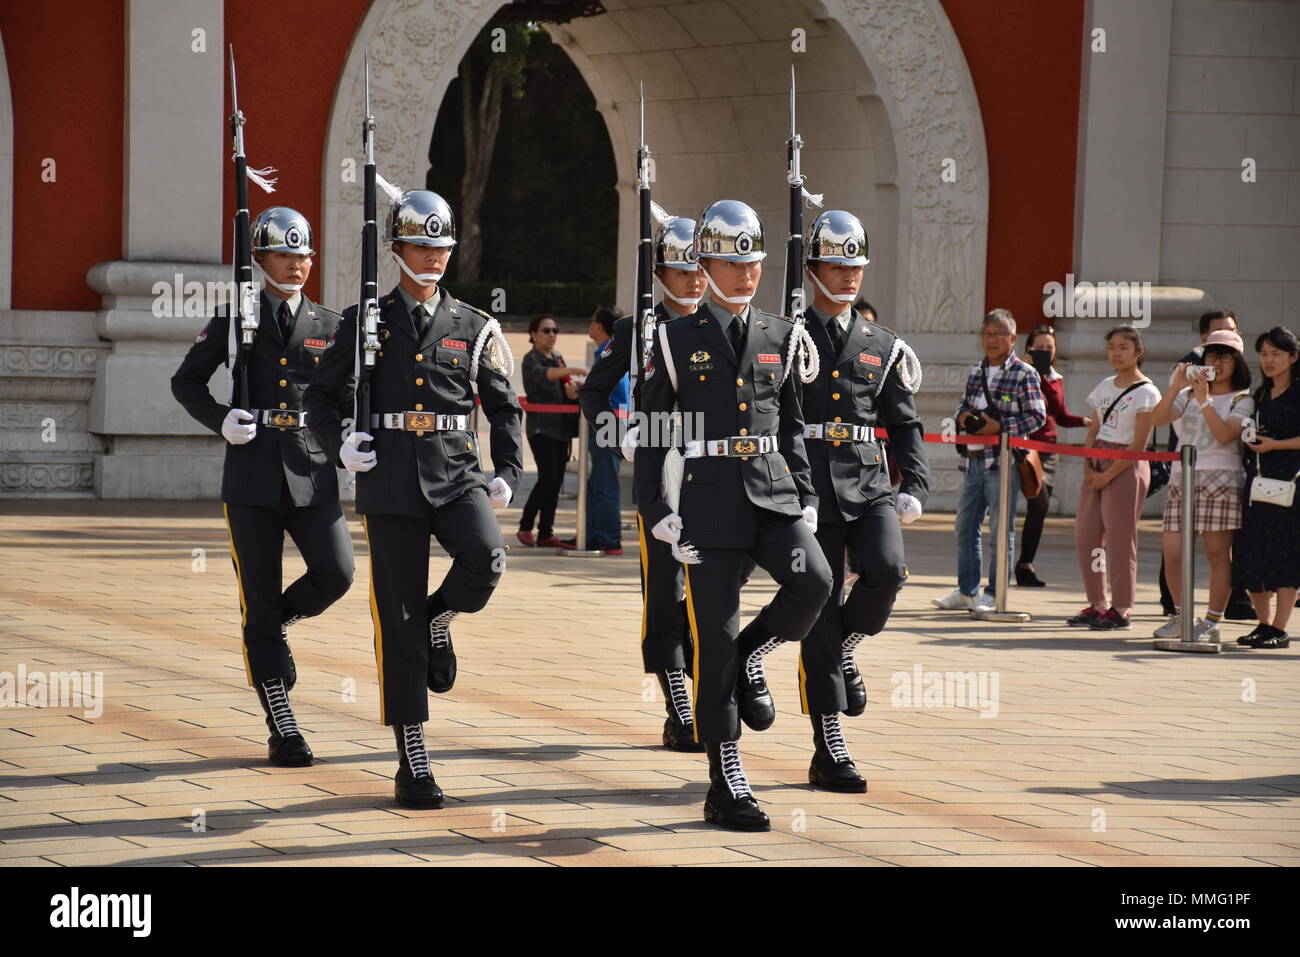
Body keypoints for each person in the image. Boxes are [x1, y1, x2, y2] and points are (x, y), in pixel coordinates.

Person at [303, 189, 522, 808]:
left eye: (441, 248)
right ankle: (413, 754)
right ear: (396, 250)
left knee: (485, 560)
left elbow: (505, 406)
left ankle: (441, 618)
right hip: (392, 478)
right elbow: (320, 397)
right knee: (396, 616)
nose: (432, 258)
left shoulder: (475, 326)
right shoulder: (363, 322)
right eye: (420, 246)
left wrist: (507, 468)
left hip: (456, 473)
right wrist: (342, 441)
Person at [635, 199, 832, 831]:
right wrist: (656, 510)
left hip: (773, 493)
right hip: (708, 501)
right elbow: (652, 433)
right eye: (730, 260)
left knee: (816, 582)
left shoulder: (781, 334)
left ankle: (754, 654)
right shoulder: (672, 338)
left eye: (752, 260)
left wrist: (805, 493)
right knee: (711, 637)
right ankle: (726, 777)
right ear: (705, 261)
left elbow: (795, 425)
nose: (745, 273)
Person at [171, 206, 353, 768]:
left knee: (338, 572)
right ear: (259, 259)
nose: (297, 265)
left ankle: (271, 624)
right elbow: (186, 381)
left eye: (304, 256)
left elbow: (347, 394)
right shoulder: (235, 319)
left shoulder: (330, 324)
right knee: (258, 589)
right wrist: (221, 417)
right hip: (251, 477)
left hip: (312, 467)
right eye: (285, 255)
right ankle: (283, 725)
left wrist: (349, 436)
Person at [795, 210, 929, 792]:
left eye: (856, 265)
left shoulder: (882, 345)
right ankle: (830, 745)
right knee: (819, 604)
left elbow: (905, 423)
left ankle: (850, 643)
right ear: (812, 269)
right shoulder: (783, 337)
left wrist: (915, 483)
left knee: (888, 570)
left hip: (869, 482)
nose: (849, 276)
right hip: (808, 488)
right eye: (836, 265)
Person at [578, 216, 708, 751]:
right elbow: (592, 395)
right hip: (660, 471)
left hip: (714, 473)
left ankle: (714, 678)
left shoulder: (723, 326)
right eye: (682, 270)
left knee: (714, 586)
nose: (695, 280)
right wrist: (619, 434)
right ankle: (679, 700)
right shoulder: (635, 331)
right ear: (659, 274)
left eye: (701, 268)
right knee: (664, 589)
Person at [933, 309, 1046, 610]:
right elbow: (961, 406)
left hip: (1004, 463)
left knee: (1000, 530)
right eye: (987, 334)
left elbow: (1038, 416)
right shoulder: (976, 371)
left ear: (1013, 338)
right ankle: (967, 590)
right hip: (972, 462)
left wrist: (1002, 428)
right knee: (965, 526)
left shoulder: (1025, 373)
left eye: (998, 334)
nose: (992, 339)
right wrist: (965, 416)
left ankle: (995, 593)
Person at [1148, 328, 1254, 642]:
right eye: (1211, 355)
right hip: (1184, 477)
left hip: (1221, 479)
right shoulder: (1187, 394)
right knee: (1173, 551)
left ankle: (1211, 621)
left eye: (1224, 356)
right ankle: (1181, 616)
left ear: (1237, 361)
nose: (1216, 363)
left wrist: (1206, 401)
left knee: (1216, 553)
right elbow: (1157, 419)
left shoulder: (1243, 399)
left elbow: (1224, 435)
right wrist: (1175, 387)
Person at [1068, 325, 1160, 630]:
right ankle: (1098, 602)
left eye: (1123, 347)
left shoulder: (1147, 391)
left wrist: (1107, 475)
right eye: (1111, 347)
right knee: (1087, 537)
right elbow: (1094, 429)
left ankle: (1122, 607)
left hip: (1126, 466)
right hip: (1096, 461)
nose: (1116, 353)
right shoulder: (1105, 385)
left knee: (1120, 539)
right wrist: (1088, 467)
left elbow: (1139, 443)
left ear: (1138, 351)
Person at [1234, 327, 1300, 649]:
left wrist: (1276, 445)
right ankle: (1263, 623)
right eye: (1264, 353)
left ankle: (1280, 628)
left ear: (1293, 357)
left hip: (1290, 482)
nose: (1269, 360)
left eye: (1276, 353)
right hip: (1257, 481)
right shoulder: (1259, 395)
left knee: (1285, 555)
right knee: (1251, 553)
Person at [1016, 324, 1089, 587]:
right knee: (1036, 502)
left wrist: (1084, 421)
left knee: (1040, 509)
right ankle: (1009, 563)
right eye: (1040, 348)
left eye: (1050, 348)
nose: (1046, 352)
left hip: (1049, 450)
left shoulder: (1056, 379)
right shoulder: (1023, 375)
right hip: (1024, 447)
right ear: (1029, 350)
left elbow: (1060, 416)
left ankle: (1025, 565)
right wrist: (1034, 372)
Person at [517, 314, 585, 549]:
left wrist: (573, 389)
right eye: (546, 330)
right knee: (548, 478)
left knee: (556, 481)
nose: (551, 335)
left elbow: (562, 383)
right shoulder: (531, 359)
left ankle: (546, 532)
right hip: (541, 428)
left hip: (562, 427)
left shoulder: (556, 358)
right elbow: (542, 376)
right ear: (533, 334)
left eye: (555, 330)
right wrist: (571, 369)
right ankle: (526, 525)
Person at [581, 305, 626, 553]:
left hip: (607, 426)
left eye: (591, 321)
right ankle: (593, 534)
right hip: (610, 424)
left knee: (605, 483)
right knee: (597, 482)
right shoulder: (608, 351)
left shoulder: (610, 352)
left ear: (599, 327)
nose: (589, 325)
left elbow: (612, 392)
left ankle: (608, 538)